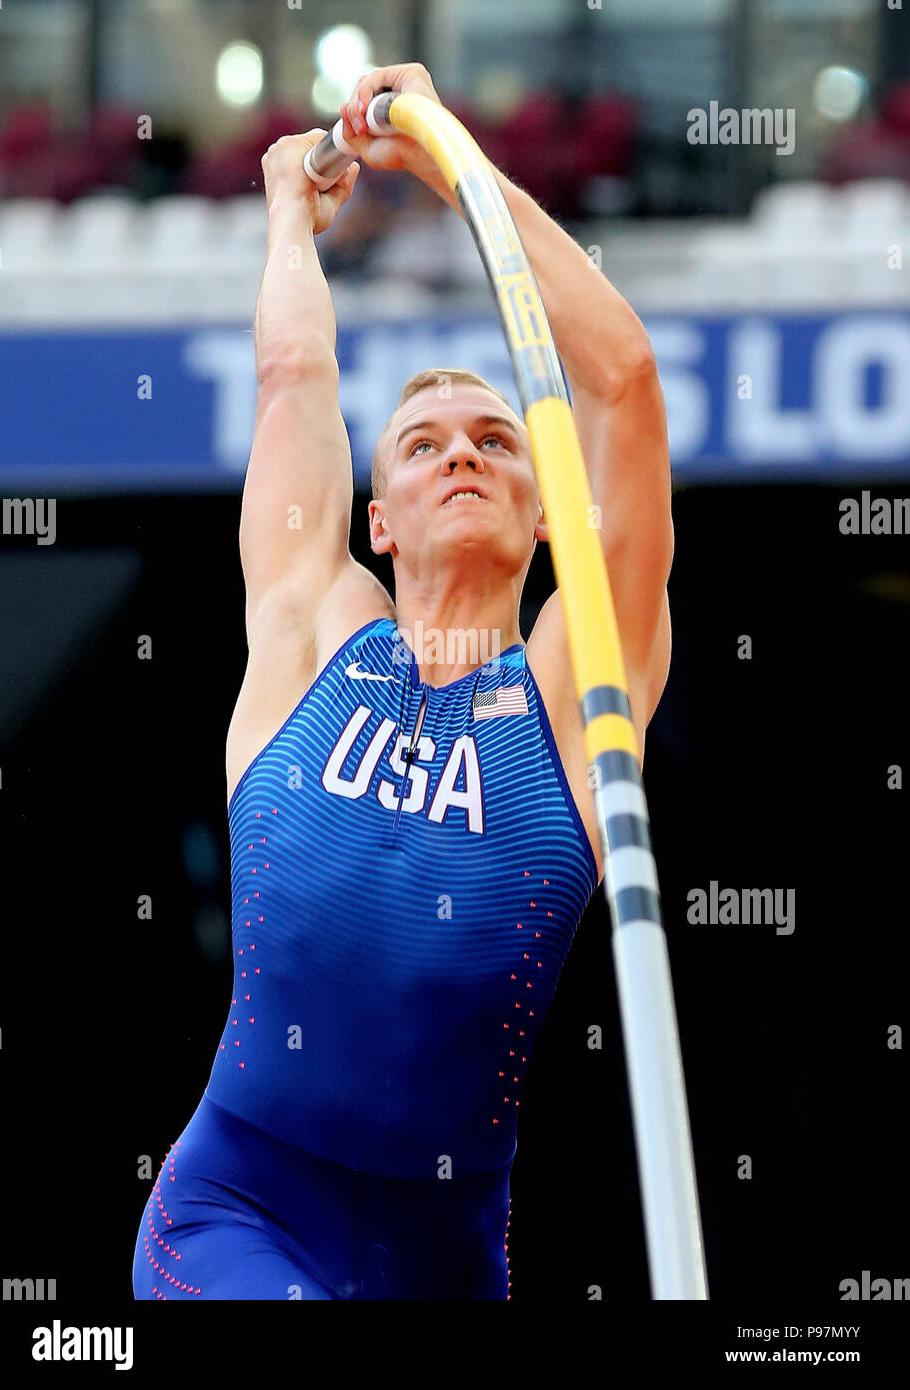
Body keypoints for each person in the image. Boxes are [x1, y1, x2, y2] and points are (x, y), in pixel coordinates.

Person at [132, 63, 673, 1301]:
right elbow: (293, 379)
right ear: (378, 517)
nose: (463, 455)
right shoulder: (313, 636)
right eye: (422, 445)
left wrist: (463, 173)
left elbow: (622, 382)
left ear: (549, 520)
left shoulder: (575, 684)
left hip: (446, 1257)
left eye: (495, 440)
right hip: (237, 1211)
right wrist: (285, 214)